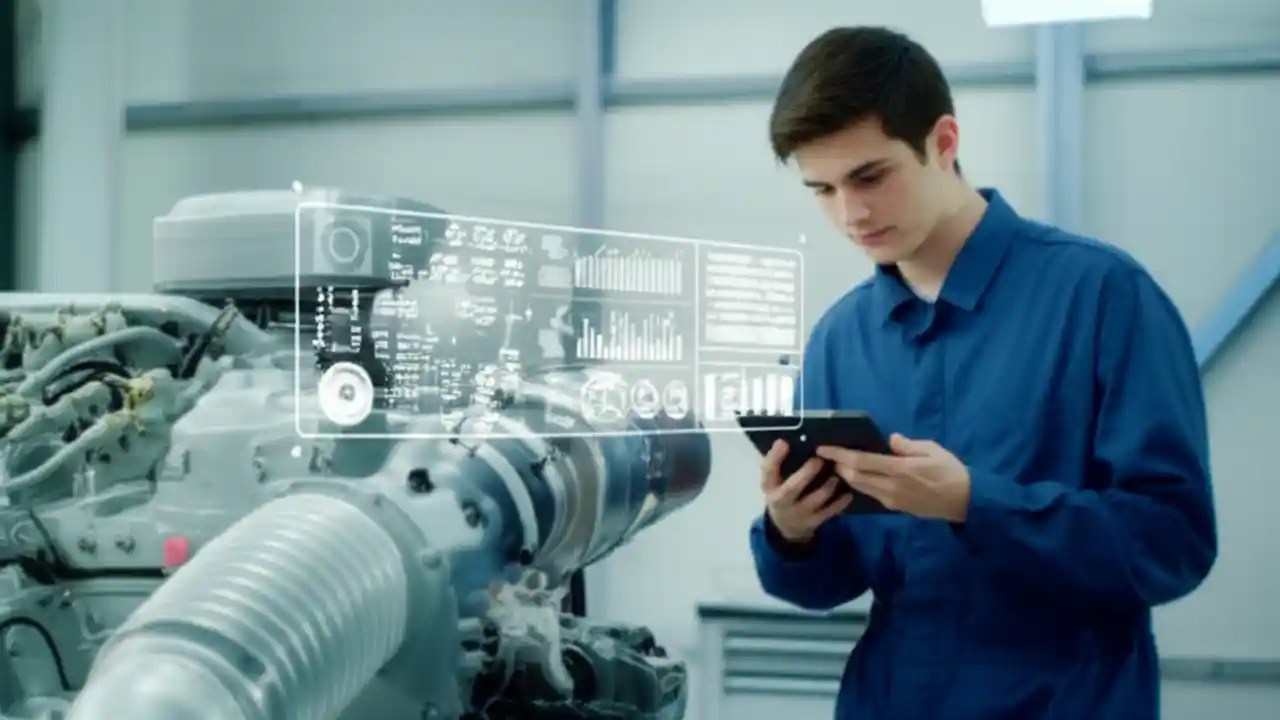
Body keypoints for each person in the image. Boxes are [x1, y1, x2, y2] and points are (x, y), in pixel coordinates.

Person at [749, 26, 1218, 720]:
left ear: (943, 142)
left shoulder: (1104, 297)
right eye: (823, 189)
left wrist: (975, 502)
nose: (850, 214)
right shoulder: (840, 339)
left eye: (871, 177)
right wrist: (792, 529)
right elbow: (826, 582)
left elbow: (1171, 544)